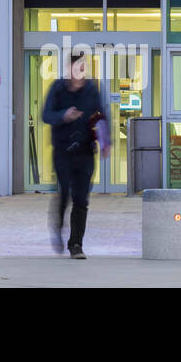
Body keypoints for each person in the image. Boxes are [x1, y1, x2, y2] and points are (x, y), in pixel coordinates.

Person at [42, 51, 109, 259]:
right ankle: (58, 225)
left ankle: (76, 245)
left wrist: (106, 142)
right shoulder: (58, 88)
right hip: (63, 151)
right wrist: (64, 115)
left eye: (82, 67)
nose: (79, 72)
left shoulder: (91, 89)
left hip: (86, 151)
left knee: (81, 199)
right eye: (75, 68)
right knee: (65, 194)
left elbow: (102, 115)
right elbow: (46, 115)